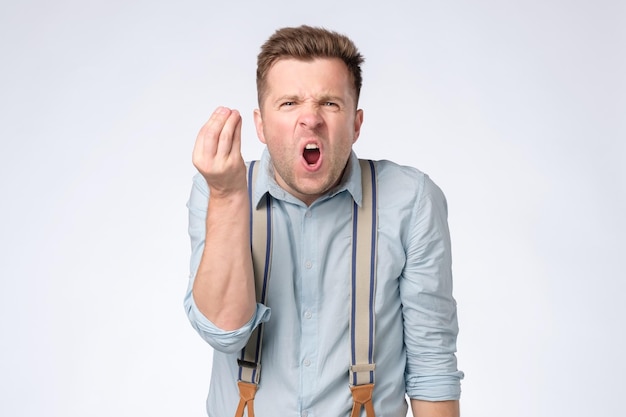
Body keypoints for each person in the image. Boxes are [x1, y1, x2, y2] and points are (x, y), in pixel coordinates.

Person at [184, 25, 463, 417]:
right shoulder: (219, 191)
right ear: (261, 125)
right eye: (289, 103)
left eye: (330, 103)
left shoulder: (411, 199)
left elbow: (432, 361)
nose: (310, 119)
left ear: (356, 123)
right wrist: (228, 197)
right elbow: (224, 332)